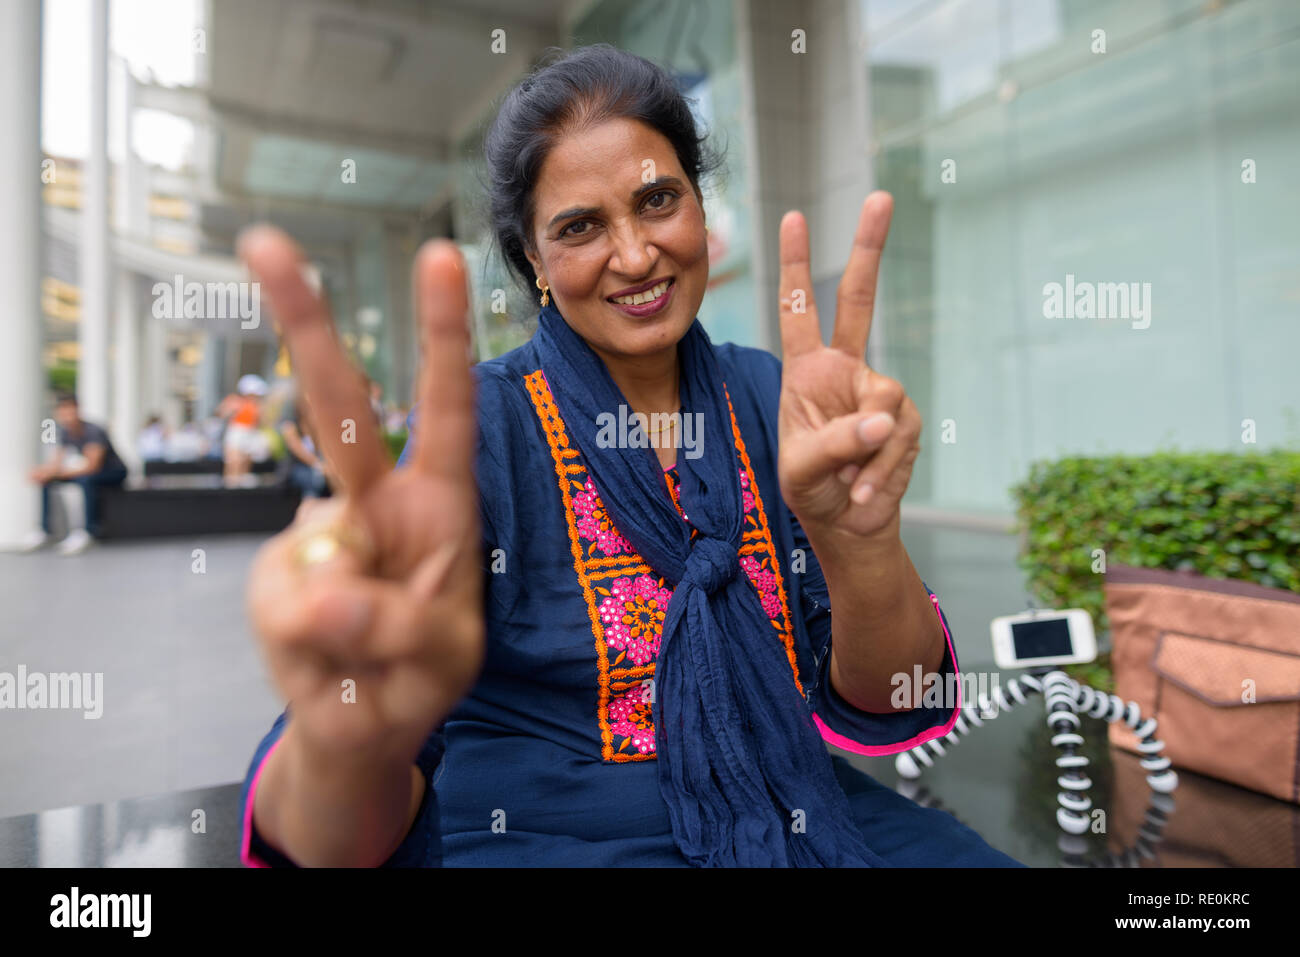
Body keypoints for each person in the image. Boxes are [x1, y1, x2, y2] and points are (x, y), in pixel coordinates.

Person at [236, 44, 1022, 868]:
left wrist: (861, 545)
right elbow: (336, 833)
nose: (638, 254)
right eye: (580, 227)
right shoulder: (481, 426)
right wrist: (347, 741)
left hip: (790, 801)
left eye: (657, 201)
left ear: (698, 205)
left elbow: (896, 700)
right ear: (536, 262)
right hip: (539, 834)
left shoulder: (770, 396)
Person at [25, 393, 128, 555]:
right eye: (62, 412)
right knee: (47, 481)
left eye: (69, 411)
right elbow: (57, 461)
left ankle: (88, 531)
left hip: (114, 472)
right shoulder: (65, 433)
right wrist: (43, 472)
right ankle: (45, 530)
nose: (66, 416)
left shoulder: (93, 430)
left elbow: (92, 466)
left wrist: (59, 473)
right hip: (89, 472)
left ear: (77, 410)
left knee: (86, 480)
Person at [217, 375, 268, 487]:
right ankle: (231, 482)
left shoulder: (257, 405)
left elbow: (262, 421)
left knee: (246, 458)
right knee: (234, 460)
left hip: (250, 432)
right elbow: (221, 413)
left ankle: (241, 480)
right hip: (237, 431)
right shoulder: (235, 401)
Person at [279, 396, 333, 499]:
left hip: (321, 466)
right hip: (295, 468)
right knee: (315, 481)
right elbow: (293, 443)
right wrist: (319, 465)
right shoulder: (291, 408)